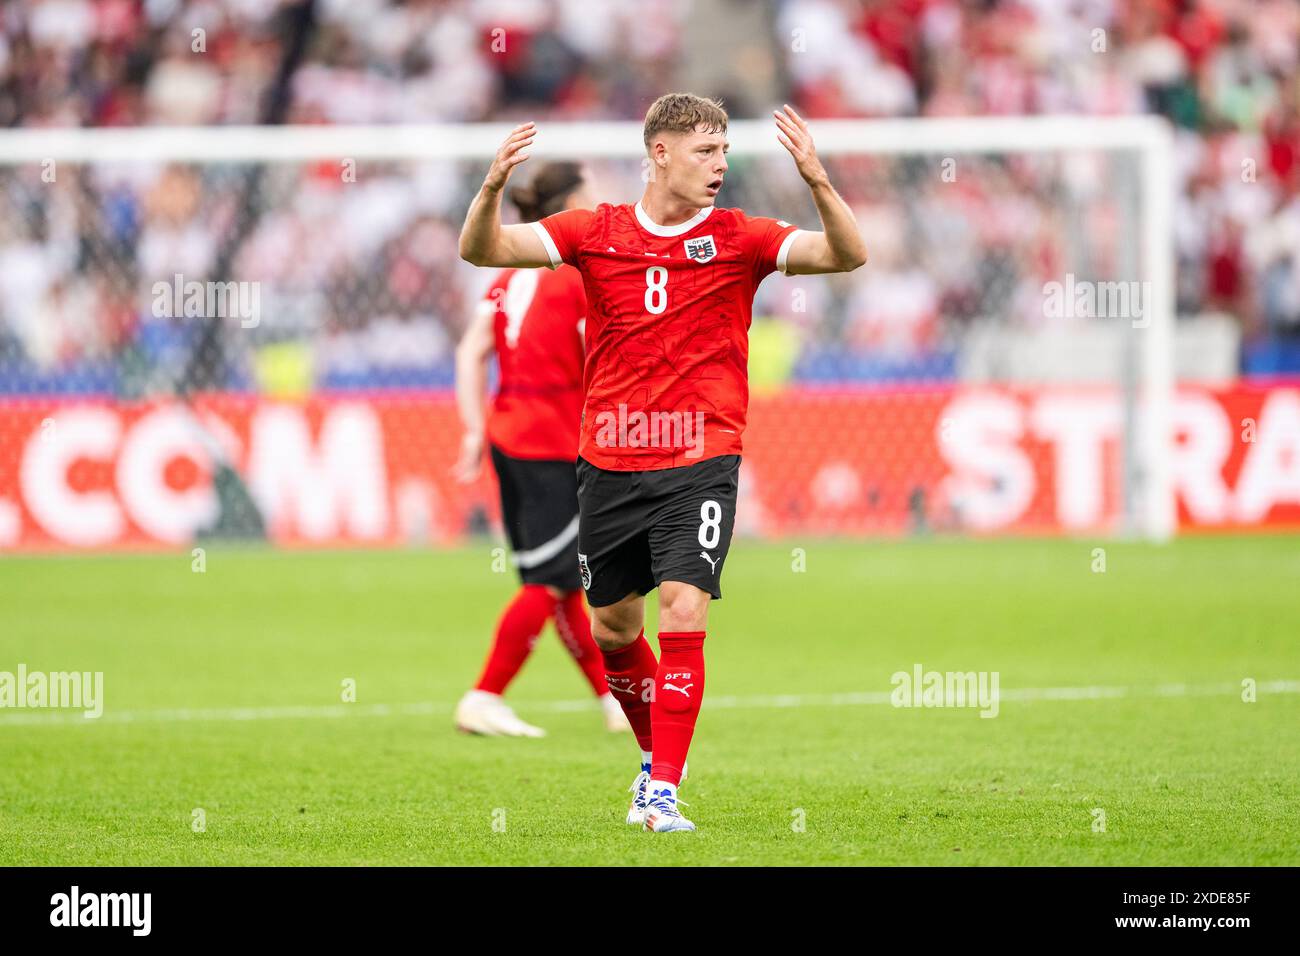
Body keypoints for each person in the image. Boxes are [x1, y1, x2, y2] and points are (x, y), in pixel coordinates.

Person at [458, 94, 866, 830]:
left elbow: (846, 253)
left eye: (725, 151)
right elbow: (482, 251)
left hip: (701, 454)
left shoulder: (741, 237)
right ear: (661, 153)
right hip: (609, 458)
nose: (721, 165)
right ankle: (651, 762)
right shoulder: (595, 231)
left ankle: (664, 792)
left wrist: (818, 180)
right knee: (614, 628)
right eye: (706, 151)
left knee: (683, 607)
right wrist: (489, 190)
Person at [451, 161, 629, 738]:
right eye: (591, 195)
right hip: (555, 443)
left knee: (560, 580)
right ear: (571, 206)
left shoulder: (507, 276)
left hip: (509, 437)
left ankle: (611, 700)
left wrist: (476, 428)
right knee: (550, 581)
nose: (601, 206)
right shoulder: (577, 277)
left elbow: (471, 350)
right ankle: (484, 695)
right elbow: (601, 358)